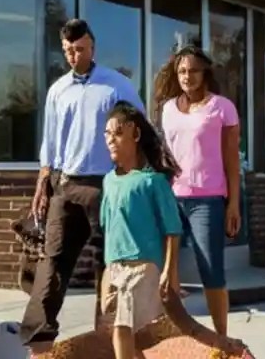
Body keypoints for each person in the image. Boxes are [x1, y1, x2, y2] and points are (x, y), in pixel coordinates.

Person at [20, 19, 145, 357]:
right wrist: (42, 184)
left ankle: (109, 343)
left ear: (92, 46)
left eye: (79, 49)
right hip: (66, 185)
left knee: (113, 267)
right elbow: (50, 142)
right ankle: (39, 347)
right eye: (67, 51)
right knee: (53, 263)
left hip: (108, 187)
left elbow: (141, 132)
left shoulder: (117, 86)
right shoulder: (58, 90)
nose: (74, 56)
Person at [153, 45, 242, 338]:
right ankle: (176, 336)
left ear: (204, 73)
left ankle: (222, 339)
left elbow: (232, 162)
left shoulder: (222, 107)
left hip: (208, 200)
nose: (186, 76)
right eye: (181, 71)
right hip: (172, 199)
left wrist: (233, 205)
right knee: (166, 273)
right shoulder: (167, 110)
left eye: (192, 70)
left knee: (211, 271)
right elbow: (164, 157)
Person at [99, 101, 183, 359]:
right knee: (130, 335)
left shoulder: (153, 182)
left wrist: (170, 271)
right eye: (107, 135)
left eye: (117, 133)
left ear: (135, 135)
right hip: (115, 268)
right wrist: (106, 273)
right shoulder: (109, 181)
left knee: (122, 328)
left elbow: (173, 229)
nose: (111, 140)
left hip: (144, 267)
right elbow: (109, 229)